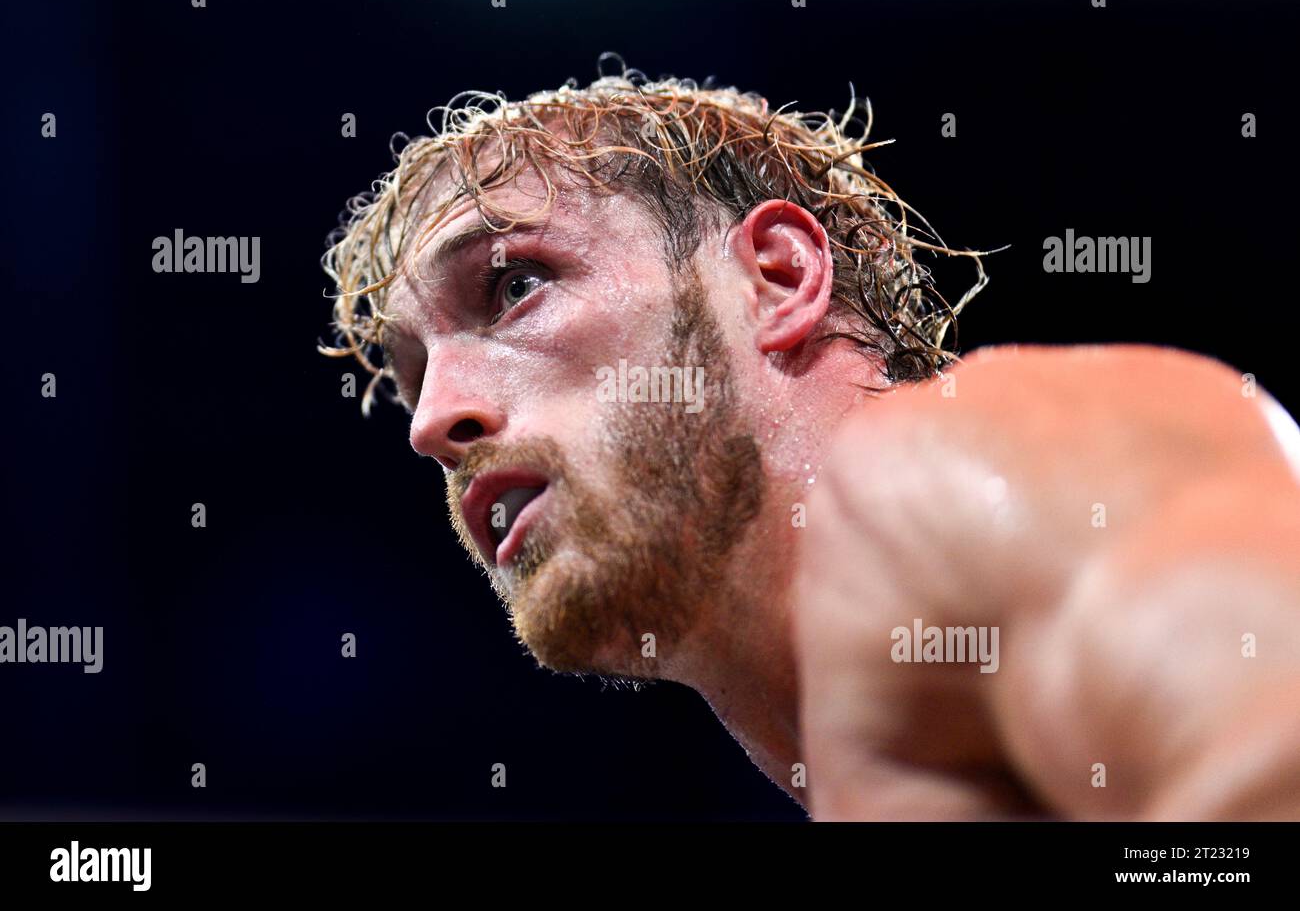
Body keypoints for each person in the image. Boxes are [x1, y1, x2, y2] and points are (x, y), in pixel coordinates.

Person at [319, 63, 1300, 819]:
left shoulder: (941, 460)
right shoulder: (872, 736)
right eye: (411, 376)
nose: (431, 419)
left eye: (514, 284)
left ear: (779, 279)